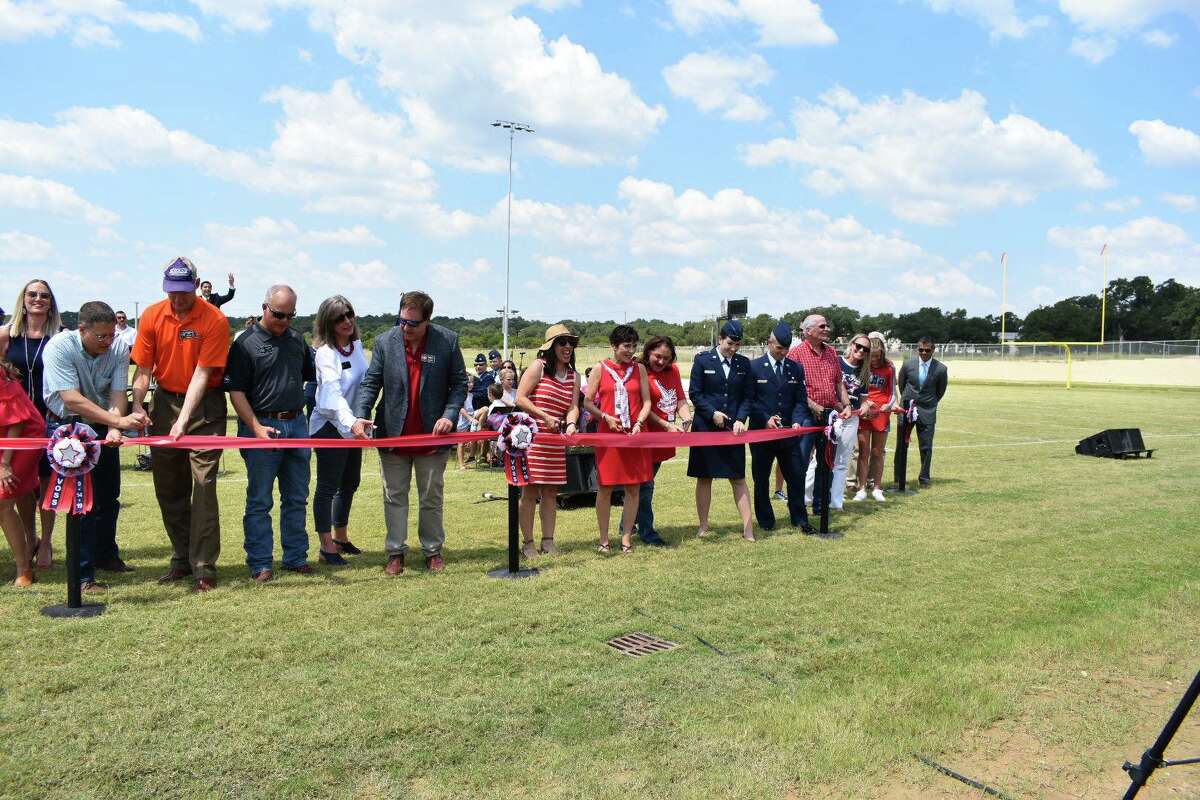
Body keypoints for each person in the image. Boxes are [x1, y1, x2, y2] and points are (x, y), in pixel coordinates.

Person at [131, 257, 229, 593]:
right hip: (164, 402)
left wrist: (183, 420)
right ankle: (181, 558)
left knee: (203, 484)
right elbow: (143, 371)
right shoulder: (152, 316)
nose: (177, 299)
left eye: (184, 292)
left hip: (205, 407)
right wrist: (137, 407)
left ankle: (204, 566)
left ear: (196, 284)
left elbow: (203, 373)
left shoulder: (214, 319)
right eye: (171, 292)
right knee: (168, 486)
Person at [352, 291, 466, 575]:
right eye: (401, 321)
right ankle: (395, 552)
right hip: (393, 435)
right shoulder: (384, 342)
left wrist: (449, 416)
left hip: (432, 438)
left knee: (430, 497)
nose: (405, 328)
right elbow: (371, 383)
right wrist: (361, 415)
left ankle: (432, 550)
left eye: (412, 324)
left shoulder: (447, 341)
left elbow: (459, 385)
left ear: (427, 320)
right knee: (394, 496)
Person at [41, 301, 148, 591]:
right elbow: (71, 399)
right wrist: (122, 423)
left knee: (108, 496)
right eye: (101, 336)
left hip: (102, 426)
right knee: (81, 503)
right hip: (68, 428)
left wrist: (114, 427)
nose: (109, 341)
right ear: (82, 329)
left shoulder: (116, 348)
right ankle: (83, 574)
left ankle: (105, 556)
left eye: (112, 334)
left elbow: (116, 394)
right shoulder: (59, 347)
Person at [226, 285, 316, 582]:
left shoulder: (296, 340)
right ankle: (261, 562)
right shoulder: (245, 343)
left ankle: (295, 557)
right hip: (262, 427)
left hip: (297, 426)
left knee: (297, 496)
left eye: (291, 315)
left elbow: (310, 376)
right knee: (260, 500)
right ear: (264, 308)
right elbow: (236, 392)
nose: (285, 321)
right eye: (279, 315)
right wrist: (256, 428)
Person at [0, 278, 61, 571]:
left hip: (49, 422)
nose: (38, 299)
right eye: (32, 294)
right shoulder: (5, 337)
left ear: (51, 303)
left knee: (48, 486)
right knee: (22, 488)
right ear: (22, 300)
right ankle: (29, 537)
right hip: (16, 425)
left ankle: (47, 541)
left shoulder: (59, 338)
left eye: (44, 296)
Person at [308, 295, 367, 565]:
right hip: (329, 426)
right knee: (328, 486)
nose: (347, 321)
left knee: (350, 482)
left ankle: (341, 538)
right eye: (339, 317)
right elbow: (331, 393)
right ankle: (325, 546)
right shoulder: (324, 353)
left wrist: (360, 419)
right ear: (328, 323)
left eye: (349, 314)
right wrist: (350, 421)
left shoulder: (356, 347)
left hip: (353, 426)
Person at [583, 324, 651, 554]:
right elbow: (587, 402)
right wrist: (606, 417)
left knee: (634, 488)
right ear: (614, 346)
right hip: (608, 435)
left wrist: (640, 423)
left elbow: (647, 402)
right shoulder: (600, 369)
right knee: (606, 488)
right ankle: (603, 539)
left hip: (634, 436)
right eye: (625, 346)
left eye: (633, 346)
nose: (630, 350)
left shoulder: (639, 369)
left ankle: (626, 538)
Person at [514, 323, 581, 558]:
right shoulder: (538, 367)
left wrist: (571, 423)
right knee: (529, 493)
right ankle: (528, 542)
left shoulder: (574, 376)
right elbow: (520, 398)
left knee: (551, 492)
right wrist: (544, 416)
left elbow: (573, 406)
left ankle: (549, 541)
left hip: (555, 441)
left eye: (571, 343)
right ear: (550, 347)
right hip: (532, 440)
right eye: (562, 342)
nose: (568, 347)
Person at [688, 319, 754, 540]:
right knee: (705, 477)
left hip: (732, 430)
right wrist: (712, 413)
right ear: (719, 339)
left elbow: (747, 397)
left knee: (738, 477)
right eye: (729, 344)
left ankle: (748, 528)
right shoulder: (702, 360)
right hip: (706, 427)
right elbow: (695, 394)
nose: (733, 349)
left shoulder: (744, 364)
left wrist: (741, 418)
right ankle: (703, 525)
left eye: (737, 345)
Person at [747, 322, 815, 533]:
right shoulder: (754, 367)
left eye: (786, 348)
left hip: (788, 435)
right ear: (769, 343)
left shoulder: (796, 368)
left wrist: (797, 420)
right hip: (762, 434)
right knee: (761, 478)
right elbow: (750, 400)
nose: (783, 352)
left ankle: (799, 518)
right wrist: (765, 418)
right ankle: (766, 521)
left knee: (796, 476)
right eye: (779, 348)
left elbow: (800, 401)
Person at [787, 314, 850, 515]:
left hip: (829, 416)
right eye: (822, 326)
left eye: (827, 325)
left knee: (826, 463)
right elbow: (792, 389)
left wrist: (845, 405)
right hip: (805, 415)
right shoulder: (795, 355)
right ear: (808, 331)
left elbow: (838, 383)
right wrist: (812, 405)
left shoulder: (831, 353)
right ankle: (797, 509)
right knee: (801, 463)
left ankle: (820, 506)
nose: (827, 329)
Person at [633, 335, 691, 547]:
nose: (661, 362)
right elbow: (642, 407)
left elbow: (680, 399)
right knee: (645, 485)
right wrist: (667, 425)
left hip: (665, 437)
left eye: (666, 358)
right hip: (646, 434)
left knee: (643, 484)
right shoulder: (639, 371)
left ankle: (627, 525)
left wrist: (686, 417)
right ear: (648, 352)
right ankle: (647, 531)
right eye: (658, 356)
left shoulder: (673, 371)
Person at [0, 356, 42, 587]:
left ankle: (23, 568)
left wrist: (4, 463)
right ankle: (31, 542)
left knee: (3, 500)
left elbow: (16, 421)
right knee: (21, 489)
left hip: (23, 436)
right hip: (3, 435)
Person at [896, 336, 948, 487]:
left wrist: (928, 403)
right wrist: (908, 401)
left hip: (928, 411)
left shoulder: (941, 369)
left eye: (927, 350)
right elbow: (902, 384)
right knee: (901, 445)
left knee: (926, 447)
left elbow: (940, 391)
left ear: (933, 350)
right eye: (921, 350)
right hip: (906, 409)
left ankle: (924, 479)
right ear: (917, 349)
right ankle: (899, 478)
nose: (924, 353)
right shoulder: (907, 365)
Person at [854, 334, 895, 502]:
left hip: (881, 414)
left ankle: (877, 488)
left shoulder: (889, 367)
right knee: (863, 452)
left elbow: (892, 392)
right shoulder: (862, 367)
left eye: (878, 356)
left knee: (878, 452)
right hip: (864, 413)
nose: (875, 359)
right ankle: (861, 488)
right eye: (873, 356)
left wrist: (889, 405)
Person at [831, 334, 871, 510]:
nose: (861, 350)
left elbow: (863, 399)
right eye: (859, 346)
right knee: (820, 459)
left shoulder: (864, 372)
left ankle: (835, 502)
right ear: (852, 344)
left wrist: (865, 406)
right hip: (833, 415)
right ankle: (809, 496)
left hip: (852, 419)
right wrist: (840, 407)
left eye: (866, 349)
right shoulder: (836, 362)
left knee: (841, 462)